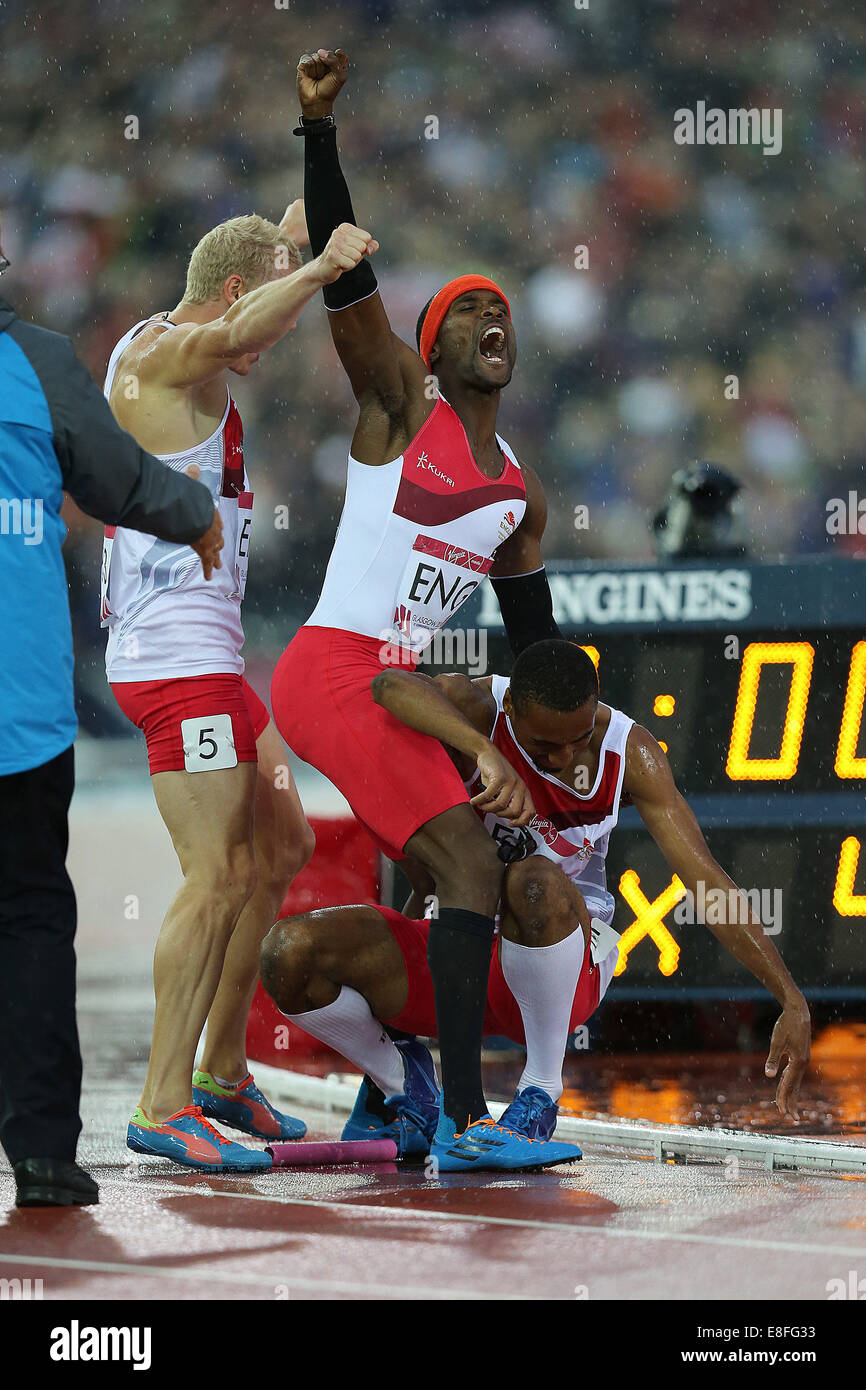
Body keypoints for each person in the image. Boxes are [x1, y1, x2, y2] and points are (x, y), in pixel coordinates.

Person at [270, 48, 571, 1173]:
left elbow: (536, 652)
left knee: (460, 872)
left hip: (391, 683)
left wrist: (577, 741)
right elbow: (350, 291)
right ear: (434, 351)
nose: (491, 316)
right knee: (463, 865)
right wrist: (317, 131)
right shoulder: (403, 407)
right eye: (466, 310)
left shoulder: (518, 496)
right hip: (332, 671)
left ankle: (407, 1099)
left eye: (502, 308)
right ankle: (455, 1117)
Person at [261, 640, 811, 1169]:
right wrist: (482, 752)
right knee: (289, 952)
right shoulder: (478, 707)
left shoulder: (632, 754)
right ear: (513, 714)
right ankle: (406, 1086)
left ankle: (541, 1092)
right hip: (461, 960)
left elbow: (707, 882)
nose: (566, 756)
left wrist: (789, 997)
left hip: (564, 969)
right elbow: (388, 685)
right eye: (545, 748)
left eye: (578, 738)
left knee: (532, 880)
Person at [102, 203, 377, 1171]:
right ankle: (161, 1102)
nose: (280, 341)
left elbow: (240, 302)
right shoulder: (181, 351)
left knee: (284, 843)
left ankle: (220, 1069)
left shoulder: (168, 346)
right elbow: (238, 327)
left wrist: (293, 236)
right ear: (233, 291)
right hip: (176, 667)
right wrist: (313, 271)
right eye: (271, 302)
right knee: (215, 875)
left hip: (208, 662)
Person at [0, 235, 224, 1207]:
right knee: (32, 920)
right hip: (20, 708)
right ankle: (44, 1150)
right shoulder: (37, 360)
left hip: (27, 703)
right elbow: (114, 475)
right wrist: (194, 509)